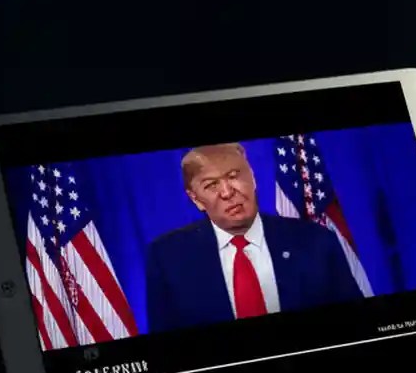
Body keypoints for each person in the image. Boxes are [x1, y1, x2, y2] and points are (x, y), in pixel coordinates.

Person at [145, 142, 363, 333]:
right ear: (196, 199)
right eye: (211, 185)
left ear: (252, 177)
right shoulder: (168, 258)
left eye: (234, 176)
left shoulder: (315, 241)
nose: (228, 192)